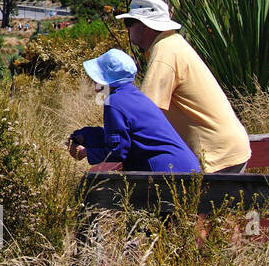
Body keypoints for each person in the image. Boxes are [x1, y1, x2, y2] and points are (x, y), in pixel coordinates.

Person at [115, 0, 251, 174]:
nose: (127, 29)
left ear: (145, 26)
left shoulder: (165, 52)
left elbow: (144, 112)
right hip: (226, 147)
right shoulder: (174, 43)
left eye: (129, 22)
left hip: (213, 154)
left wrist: (107, 140)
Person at [68, 48, 201, 173]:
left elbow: (118, 151)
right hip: (185, 167)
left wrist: (86, 152)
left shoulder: (114, 102)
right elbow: (123, 139)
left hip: (167, 172)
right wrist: (86, 136)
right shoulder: (135, 96)